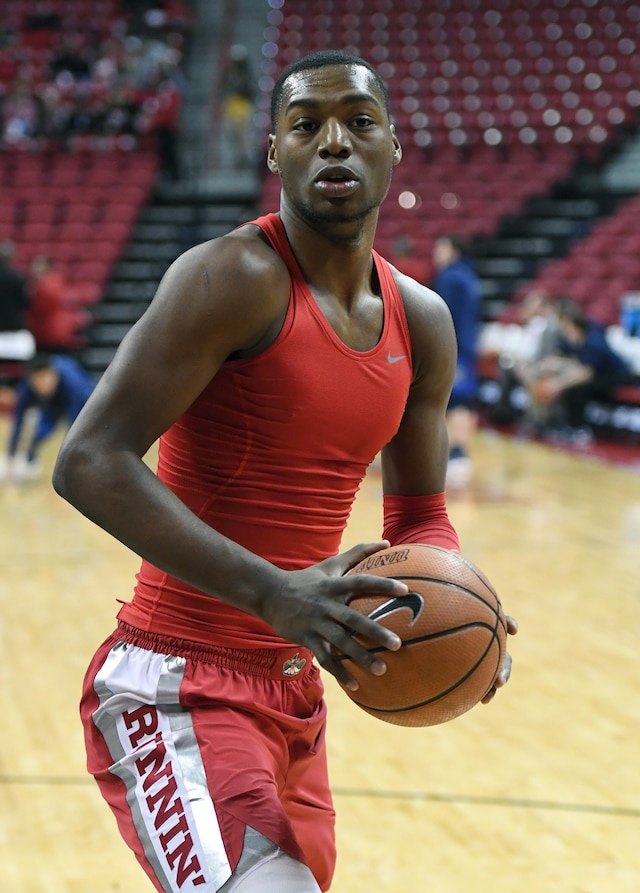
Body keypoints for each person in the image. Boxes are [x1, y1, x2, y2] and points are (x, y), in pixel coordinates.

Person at [53, 50, 516, 893]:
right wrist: (273, 591)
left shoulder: (423, 320)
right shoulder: (229, 277)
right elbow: (88, 460)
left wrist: (463, 600)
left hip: (299, 689)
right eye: (307, 126)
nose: (334, 142)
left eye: (358, 123)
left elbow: (417, 519)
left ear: (393, 145)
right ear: (276, 153)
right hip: (175, 680)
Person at [525, 296, 634, 440]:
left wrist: (557, 385)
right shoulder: (570, 340)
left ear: (570, 324)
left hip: (615, 377)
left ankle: (579, 428)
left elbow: (586, 373)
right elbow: (570, 359)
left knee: (577, 386)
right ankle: (555, 422)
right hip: (595, 374)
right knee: (566, 382)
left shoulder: (593, 340)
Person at [431, 233, 481, 488]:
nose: (435, 253)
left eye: (440, 247)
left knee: (458, 401)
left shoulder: (451, 277)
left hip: (455, 346)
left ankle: (459, 453)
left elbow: (441, 313)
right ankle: (458, 452)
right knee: (461, 400)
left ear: (453, 250)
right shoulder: (470, 276)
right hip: (468, 346)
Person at [3, 352, 94, 481]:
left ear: (54, 374)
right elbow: (18, 422)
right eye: (39, 381)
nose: (44, 385)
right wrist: (10, 455)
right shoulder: (26, 388)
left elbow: (76, 426)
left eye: (47, 379)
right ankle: (30, 462)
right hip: (53, 403)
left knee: (76, 436)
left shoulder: (74, 384)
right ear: (31, 379)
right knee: (39, 433)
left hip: (81, 399)